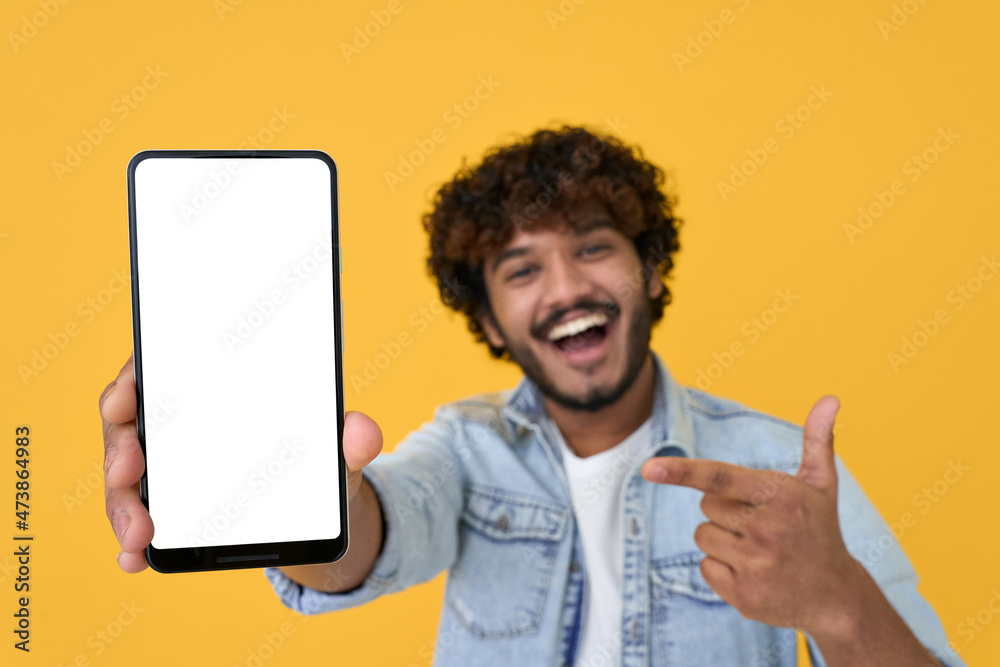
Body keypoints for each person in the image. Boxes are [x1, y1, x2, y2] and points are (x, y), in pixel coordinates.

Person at [101, 126, 962, 666]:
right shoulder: (464, 448)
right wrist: (291, 484)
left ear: (650, 270)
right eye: (521, 269)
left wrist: (838, 603)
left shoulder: (778, 469)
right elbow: (364, 541)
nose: (564, 289)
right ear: (491, 320)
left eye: (592, 248)